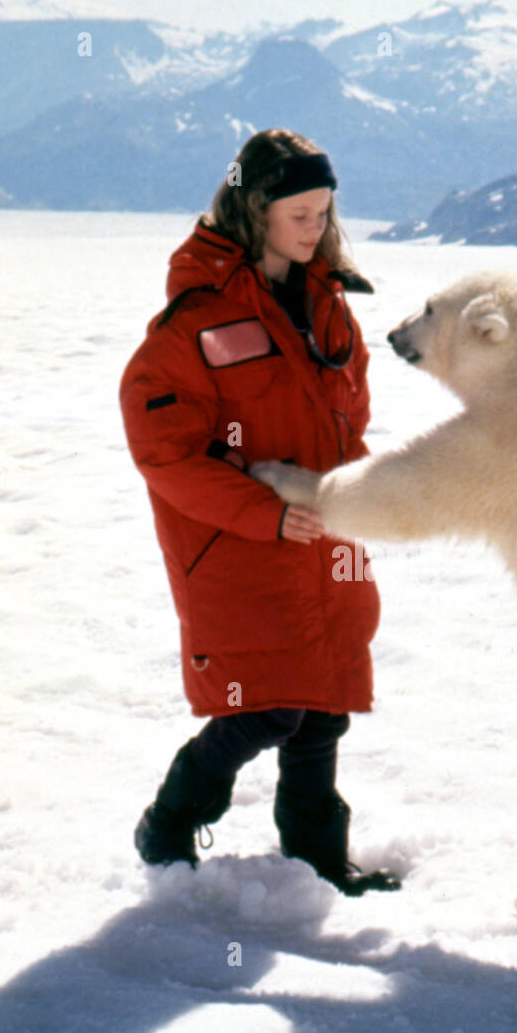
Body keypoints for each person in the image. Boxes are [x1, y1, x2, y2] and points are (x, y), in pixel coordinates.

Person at [118, 128, 399, 896]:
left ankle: (315, 865)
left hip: (324, 535)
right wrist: (265, 514)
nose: (315, 228)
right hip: (239, 543)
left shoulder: (330, 305)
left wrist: (371, 496)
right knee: (266, 705)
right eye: (298, 213)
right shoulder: (195, 319)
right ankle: (168, 825)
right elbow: (165, 449)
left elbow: (347, 428)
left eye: (323, 212)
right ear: (254, 209)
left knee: (323, 704)